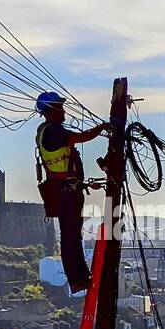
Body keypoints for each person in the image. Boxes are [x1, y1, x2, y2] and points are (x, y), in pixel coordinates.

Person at [35, 92, 110, 293]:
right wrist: (102, 128)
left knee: (72, 237)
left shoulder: (49, 131)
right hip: (65, 193)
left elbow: (64, 170)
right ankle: (78, 279)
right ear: (51, 110)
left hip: (66, 191)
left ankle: (82, 277)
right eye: (60, 107)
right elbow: (81, 137)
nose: (64, 111)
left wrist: (84, 185)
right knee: (71, 238)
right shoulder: (53, 132)